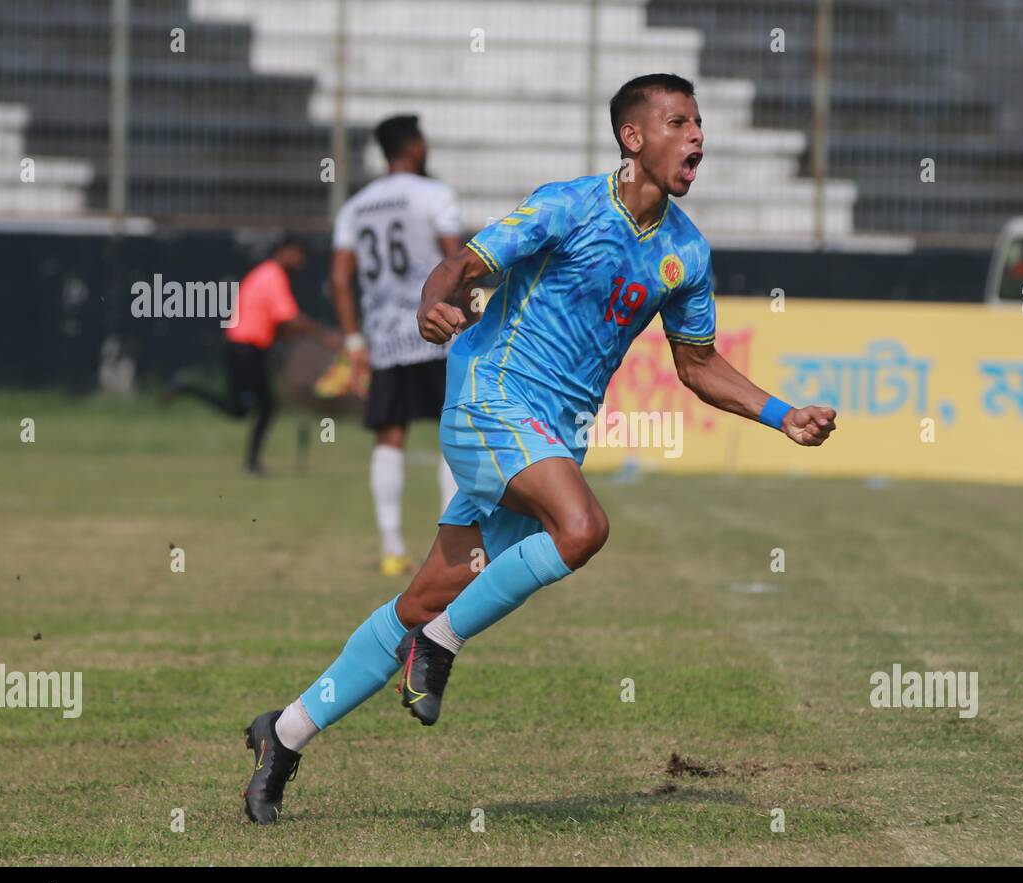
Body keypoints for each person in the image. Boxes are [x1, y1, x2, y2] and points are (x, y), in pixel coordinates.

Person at [241, 74, 837, 824]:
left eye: (700, 124)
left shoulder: (685, 252)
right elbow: (464, 263)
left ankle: (284, 735)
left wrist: (782, 416)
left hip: (546, 443)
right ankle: (443, 645)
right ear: (633, 137)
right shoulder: (567, 206)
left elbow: (698, 365)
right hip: (489, 403)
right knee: (582, 529)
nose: (697, 137)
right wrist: (435, 300)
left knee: (421, 599)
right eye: (679, 122)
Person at [331, 115, 464, 577]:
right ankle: (448, 548)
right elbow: (458, 259)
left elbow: (339, 277)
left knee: (389, 435)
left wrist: (353, 338)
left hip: (385, 336)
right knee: (453, 432)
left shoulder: (356, 206)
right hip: (436, 329)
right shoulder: (434, 194)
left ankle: (391, 548)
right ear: (413, 145)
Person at [166, 238, 340, 474]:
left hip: (249, 348)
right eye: (298, 255)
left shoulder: (268, 275)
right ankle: (188, 389)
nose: (301, 262)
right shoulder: (272, 276)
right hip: (244, 348)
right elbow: (291, 318)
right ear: (283, 251)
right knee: (246, 408)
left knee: (255, 407)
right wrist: (324, 336)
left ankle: (251, 462)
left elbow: (277, 321)